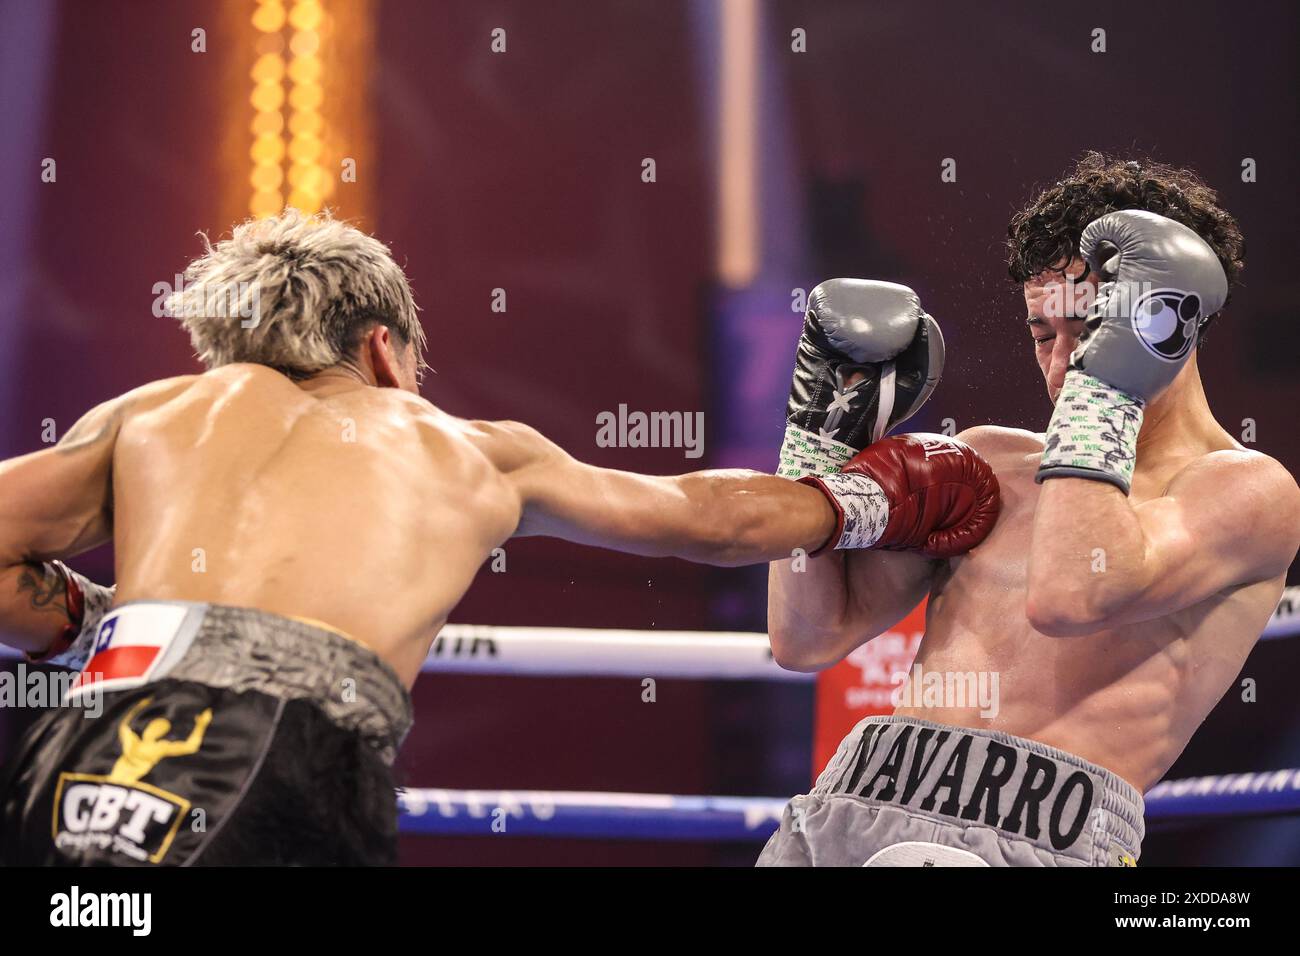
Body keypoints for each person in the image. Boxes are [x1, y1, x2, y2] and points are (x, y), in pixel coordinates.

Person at [0, 208, 998, 865]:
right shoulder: (460, 444)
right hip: (278, 752)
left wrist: (109, 624)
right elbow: (716, 519)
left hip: (84, 743)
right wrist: (884, 493)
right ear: (382, 349)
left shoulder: (154, 415)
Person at [760, 153, 1300, 867]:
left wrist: (1106, 391)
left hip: (1041, 832)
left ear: (1171, 317)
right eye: (1045, 335)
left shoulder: (1248, 491)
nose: (1061, 366)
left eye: (1090, 329)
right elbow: (807, 637)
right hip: (852, 803)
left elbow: (1070, 594)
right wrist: (817, 447)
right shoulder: (989, 460)